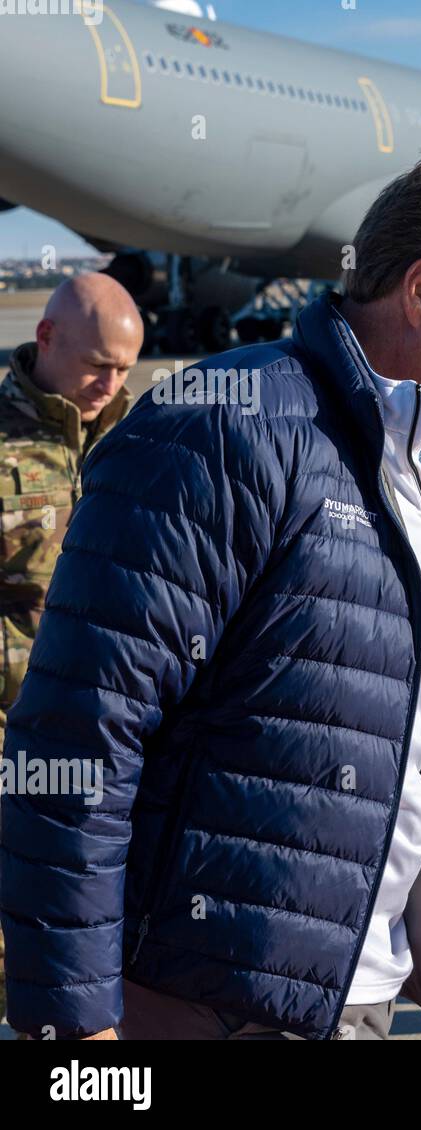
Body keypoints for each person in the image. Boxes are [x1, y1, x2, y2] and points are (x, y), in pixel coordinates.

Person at [0, 142, 421, 1040]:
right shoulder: (223, 428)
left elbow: (373, 694)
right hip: (203, 1000)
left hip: (357, 988)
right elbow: (79, 736)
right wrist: (73, 1029)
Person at [0, 273, 141, 1026]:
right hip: (14, 746)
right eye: (97, 366)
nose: (110, 384)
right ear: (45, 339)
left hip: (109, 755)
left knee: (81, 964)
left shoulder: (135, 438)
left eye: (124, 368)